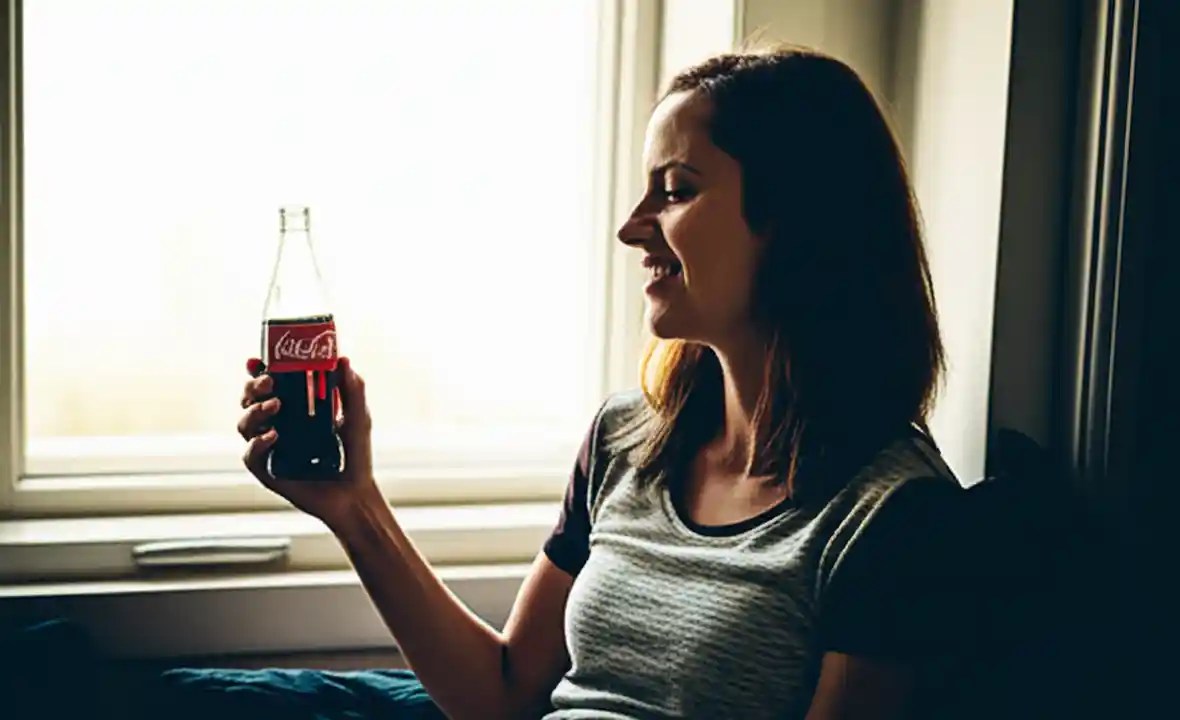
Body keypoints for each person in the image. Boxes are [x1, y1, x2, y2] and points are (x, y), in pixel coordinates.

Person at [236, 45, 971, 720]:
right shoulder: (625, 441)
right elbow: (502, 694)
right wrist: (353, 506)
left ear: (796, 221)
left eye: (676, 190)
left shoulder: (895, 517)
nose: (632, 226)